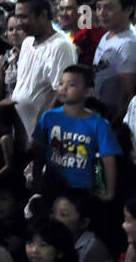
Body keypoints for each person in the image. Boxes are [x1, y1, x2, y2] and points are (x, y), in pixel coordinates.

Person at [31, 65, 120, 205]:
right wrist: (36, 181)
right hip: (52, 184)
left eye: (71, 84)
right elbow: (39, 150)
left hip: (83, 189)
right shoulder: (49, 117)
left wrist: (109, 192)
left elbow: (108, 158)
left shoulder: (99, 124)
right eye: (61, 83)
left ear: (87, 92)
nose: (63, 88)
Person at [8, 0, 77, 158]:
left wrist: (40, 131)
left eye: (24, 17)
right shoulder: (27, 43)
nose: (19, 23)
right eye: (17, 17)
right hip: (23, 131)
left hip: (46, 138)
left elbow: (61, 94)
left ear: (44, 15)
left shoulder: (61, 46)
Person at [92, 0, 136, 122]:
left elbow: (128, 93)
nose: (101, 13)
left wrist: (117, 123)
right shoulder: (108, 34)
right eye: (98, 7)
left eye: (108, 8)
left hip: (112, 119)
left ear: (128, 10)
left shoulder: (128, 44)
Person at [49, 191, 113, 262]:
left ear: (83, 222)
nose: (54, 218)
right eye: (52, 213)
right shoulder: (50, 237)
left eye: (63, 214)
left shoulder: (92, 245)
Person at [59, 0, 104, 66]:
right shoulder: (62, 38)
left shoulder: (98, 38)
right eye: (61, 9)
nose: (63, 14)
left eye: (68, 9)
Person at [0, 12, 26, 101]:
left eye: (19, 29)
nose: (14, 33)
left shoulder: (38, 56)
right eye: (10, 29)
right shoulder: (2, 61)